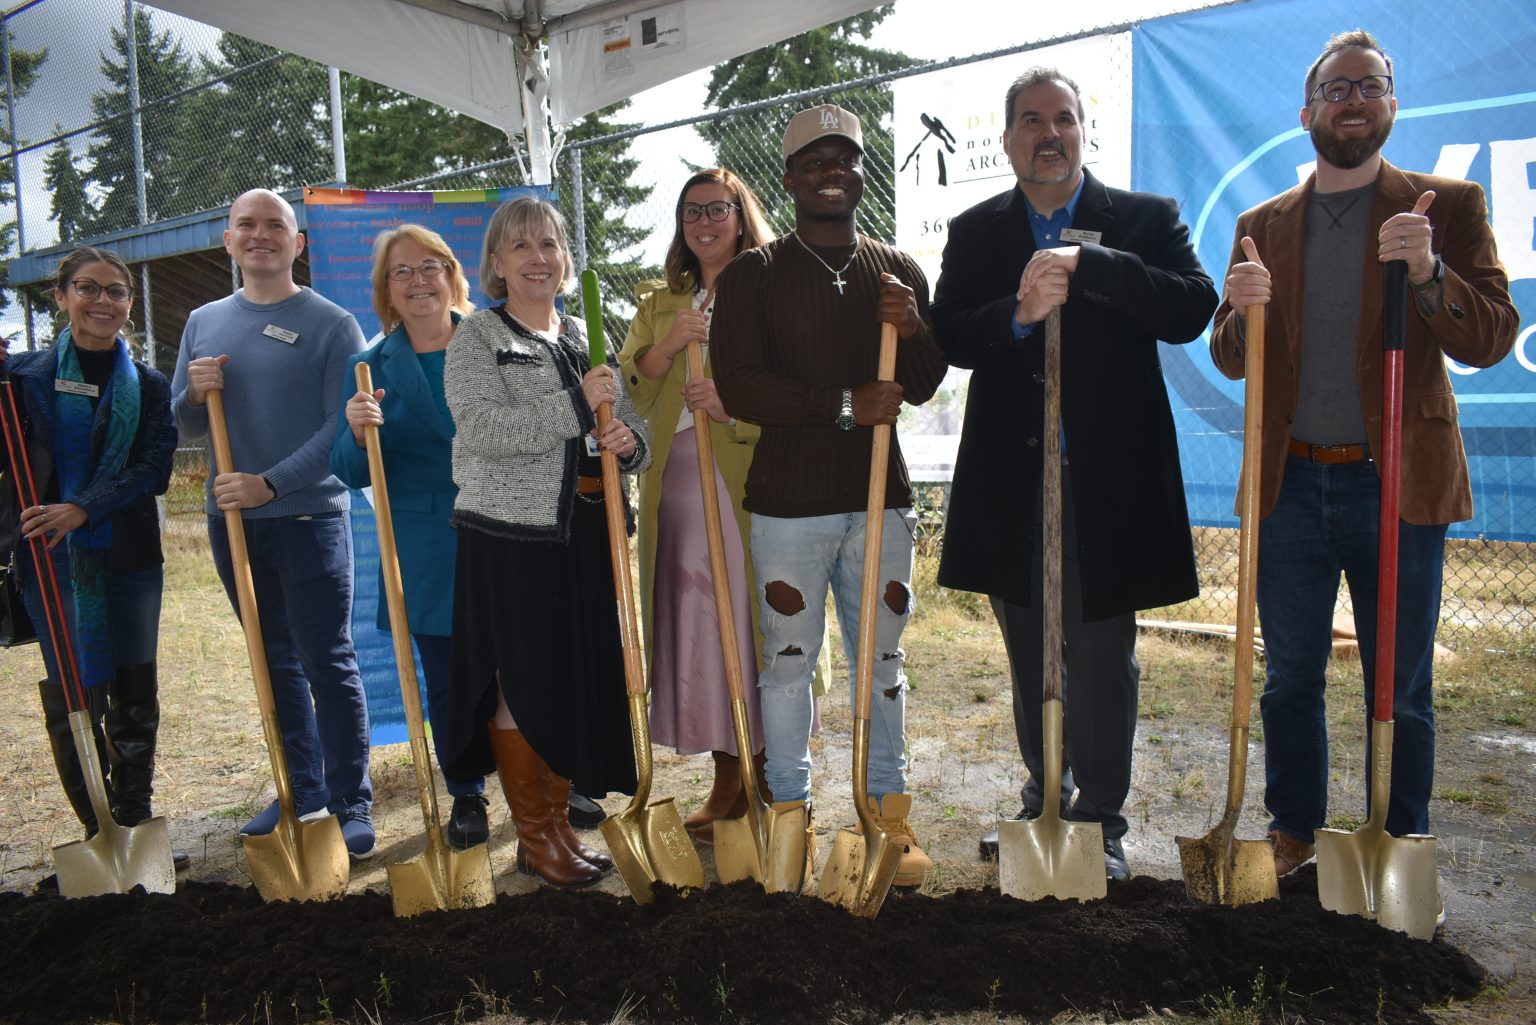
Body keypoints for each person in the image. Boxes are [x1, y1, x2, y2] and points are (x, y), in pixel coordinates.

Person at [1210, 30, 1517, 885]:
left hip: (1396, 481)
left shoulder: (1443, 204)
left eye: (1370, 85)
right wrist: (1238, 310)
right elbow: (1232, 355)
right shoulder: (1260, 224)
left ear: (1391, 103)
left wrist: (1428, 276)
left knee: (1401, 681)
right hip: (1290, 482)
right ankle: (1294, 833)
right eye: (1336, 88)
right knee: (1289, 678)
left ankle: (1397, 841)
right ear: (1307, 112)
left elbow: (1492, 334)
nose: (1353, 99)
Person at [930, 67, 1217, 881]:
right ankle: (1043, 797)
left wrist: (1093, 268)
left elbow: (1192, 305)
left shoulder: (1143, 218)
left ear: (1083, 130)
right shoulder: (978, 232)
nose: (1047, 132)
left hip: (1108, 486)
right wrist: (1019, 313)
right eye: (1030, 120)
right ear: (1009, 137)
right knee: (1031, 647)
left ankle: (1100, 820)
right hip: (1012, 484)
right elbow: (951, 333)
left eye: (1062, 118)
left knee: (1098, 653)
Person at [712, 104, 948, 887]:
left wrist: (913, 327)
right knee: (788, 665)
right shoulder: (755, 275)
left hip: (883, 497)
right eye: (815, 160)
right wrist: (843, 404)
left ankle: (889, 815)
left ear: (859, 173)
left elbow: (921, 383)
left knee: (883, 661)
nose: (832, 172)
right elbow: (738, 384)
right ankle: (790, 817)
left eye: (845, 158)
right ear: (788, 179)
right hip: (788, 507)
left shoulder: (897, 270)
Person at [439, 195, 644, 888]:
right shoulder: (478, 336)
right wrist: (577, 406)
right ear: (494, 263)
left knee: (567, 680)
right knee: (519, 683)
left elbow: (626, 422)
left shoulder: (583, 332)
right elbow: (483, 431)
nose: (538, 258)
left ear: (565, 258)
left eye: (549, 244)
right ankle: (535, 833)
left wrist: (628, 440)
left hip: (584, 533)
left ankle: (556, 830)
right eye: (521, 246)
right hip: (511, 537)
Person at [171, 189, 375, 860]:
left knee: (328, 659)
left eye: (276, 226)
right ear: (228, 240)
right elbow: (187, 421)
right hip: (232, 521)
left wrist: (271, 482)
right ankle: (300, 788)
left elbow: (336, 424)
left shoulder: (331, 322)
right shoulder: (203, 321)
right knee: (273, 659)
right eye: (247, 226)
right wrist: (192, 392)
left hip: (309, 514)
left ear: (299, 243)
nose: (261, 236)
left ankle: (349, 800)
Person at [2, 246, 186, 879]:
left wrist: (83, 506)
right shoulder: (20, 381)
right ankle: (95, 833)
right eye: (88, 288)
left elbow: (154, 470)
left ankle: (134, 827)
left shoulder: (150, 386)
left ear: (129, 307)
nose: (102, 301)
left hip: (130, 556)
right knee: (74, 693)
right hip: (50, 563)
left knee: (135, 688)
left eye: (116, 292)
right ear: (62, 296)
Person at [616, 169, 776, 843]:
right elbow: (629, 386)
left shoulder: (771, 290)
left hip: (746, 479)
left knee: (751, 622)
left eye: (718, 209)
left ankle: (770, 778)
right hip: (678, 488)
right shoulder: (661, 300)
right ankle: (726, 781)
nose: (704, 222)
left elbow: (792, 384)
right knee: (700, 628)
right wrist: (672, 344)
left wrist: (732, 409)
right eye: (691, 212)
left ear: (741, 216)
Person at [329, 224, 490, 850]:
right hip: (427, 548)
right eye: (403, 272)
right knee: (449, 679)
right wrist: (355, 427)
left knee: (516, 669)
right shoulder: (369, 366)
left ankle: (542, 788)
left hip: (509, 533)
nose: (419, 280)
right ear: (386, 293)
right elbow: (346, 469)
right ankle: (468, 793)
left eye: (431, 266)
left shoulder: (498, 343)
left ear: (453, 275)